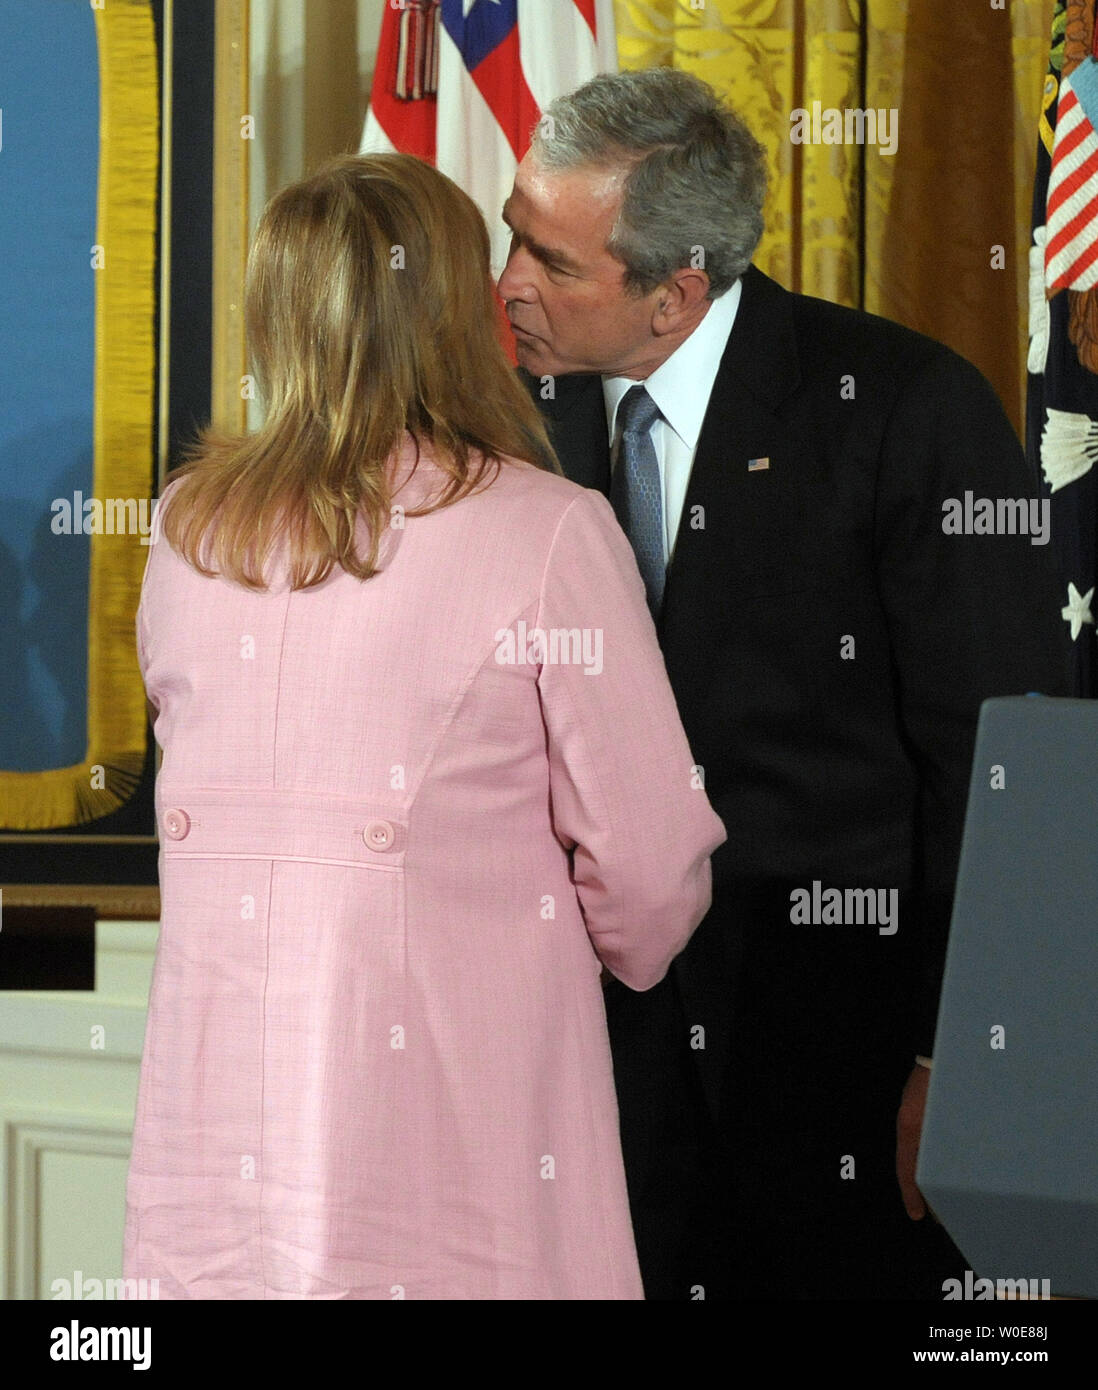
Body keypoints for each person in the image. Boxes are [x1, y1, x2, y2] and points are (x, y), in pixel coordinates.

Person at [501, 67, 1071, 1300]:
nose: (510, 288)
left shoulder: (905, 412)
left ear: (675, 293)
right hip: (592, 1083)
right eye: (512, 239)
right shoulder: (508, 422)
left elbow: (1009, 768)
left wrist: (970, 1059)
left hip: (849, 1082)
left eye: (551, 261)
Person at [121, 151, 727, 1300]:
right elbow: (650, 881)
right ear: (457, 308)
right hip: (460, 1163)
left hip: (220, 1177)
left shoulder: (187, 531)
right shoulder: (549, 532)